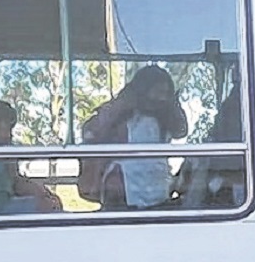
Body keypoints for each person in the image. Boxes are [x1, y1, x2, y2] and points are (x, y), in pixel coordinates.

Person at [78, 65, 188, 210]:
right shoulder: (122, 113)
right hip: (123, 188)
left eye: (165, 93)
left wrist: (174, 104)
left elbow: (181, 131)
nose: (161, 98)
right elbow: (91, 132)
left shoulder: (165, 117)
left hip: (157, 189)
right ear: (143, 89)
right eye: (157, 92)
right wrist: (119, 107)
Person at [0, 99, 62, 214]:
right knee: (45, 209)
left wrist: (43, 192)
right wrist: (0, 159)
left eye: (9, 124)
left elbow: (15, 181)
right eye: (0, 122)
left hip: (8, 201)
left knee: (53, 204)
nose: (8, 130)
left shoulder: (7, 149)